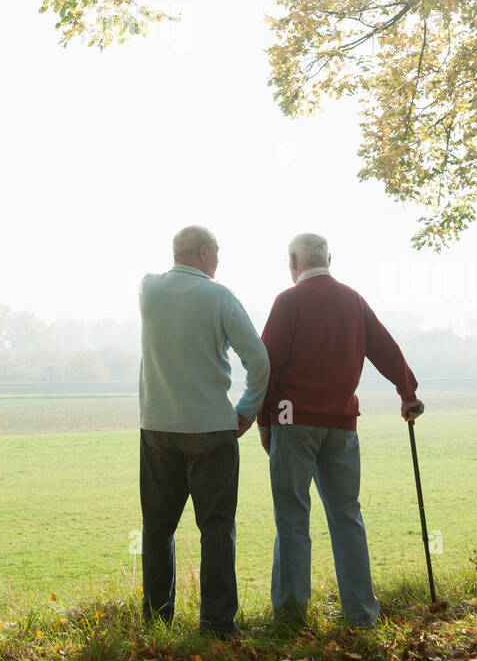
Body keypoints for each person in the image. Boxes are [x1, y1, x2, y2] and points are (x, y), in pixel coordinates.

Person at [256, 232, 422, 628]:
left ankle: (292, 618)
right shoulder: (353, 300)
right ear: (329, 258)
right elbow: (385, 348)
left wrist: (266, 421)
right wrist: (407, 392)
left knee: (293, 519)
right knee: (347, 517)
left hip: (293, 423)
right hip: (342, 427)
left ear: (293, 262)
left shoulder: (288, 301)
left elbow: (267, 366)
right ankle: (362, 616)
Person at [139, 225, 270, 638]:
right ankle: (217, 624)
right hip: (212, 430)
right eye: (216, 251)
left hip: (158, 428)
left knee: (158, 528)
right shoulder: (220, 297)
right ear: (202, 251)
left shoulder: (148, 290)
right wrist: (246, 411)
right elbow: (259, 362)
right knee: (216, 529)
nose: (219, 259)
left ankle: (157, 622)